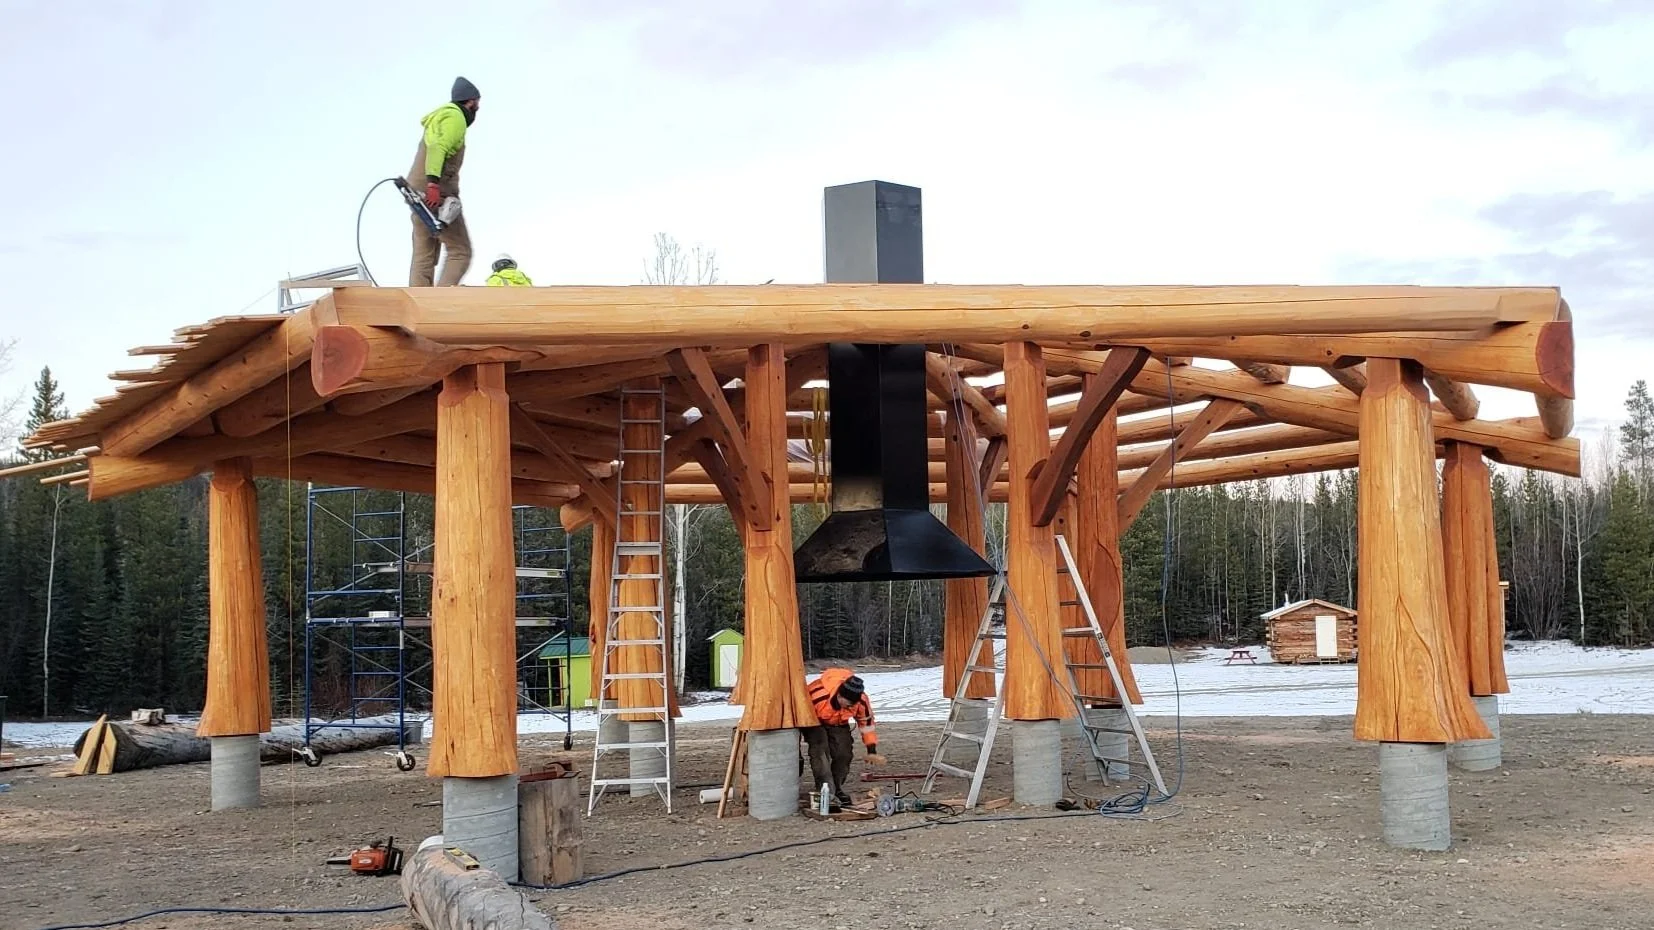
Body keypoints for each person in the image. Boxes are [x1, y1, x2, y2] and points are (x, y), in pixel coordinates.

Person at [407, 76, 481, 287]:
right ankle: (440, 300)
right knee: (460, 251)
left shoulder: (438, 119)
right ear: (470, 102)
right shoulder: (455, 118)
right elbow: (438, 148)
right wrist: (432, 184)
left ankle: (419, 303)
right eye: (477, 103)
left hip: (415, 191)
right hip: (434, 191)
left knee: (425, 251)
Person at [802, 668, 886, 806]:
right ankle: (826, 792)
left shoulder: (861, 700)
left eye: (853, 705)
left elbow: (867, 723)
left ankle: (837, 787)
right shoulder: (816, 695)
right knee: (820, 753)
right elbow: (799, 714)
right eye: (848, 704)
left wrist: (871, 749)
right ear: (840, 696)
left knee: (844, 754)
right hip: (813, 721)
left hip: (839, 723)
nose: (851, 707)